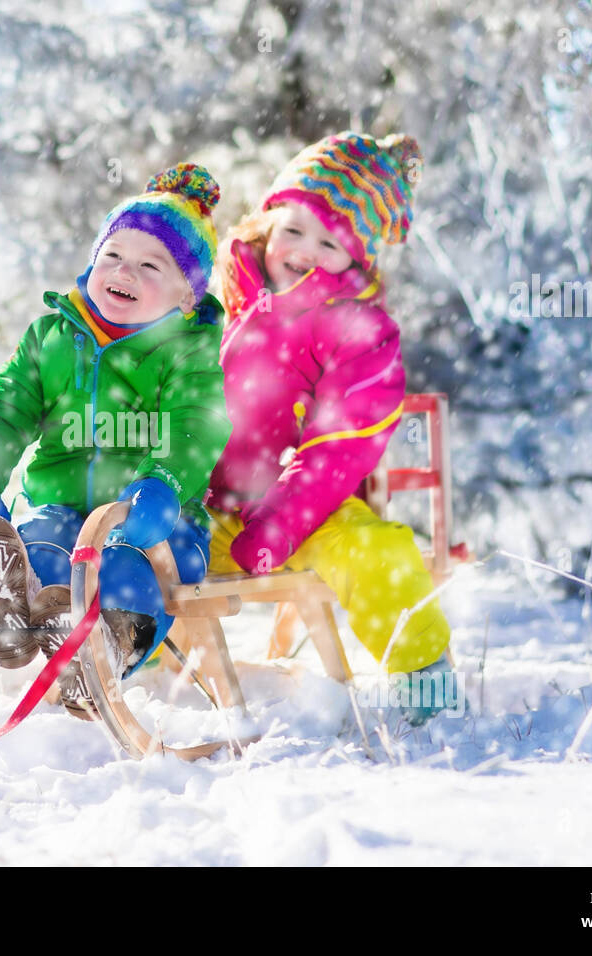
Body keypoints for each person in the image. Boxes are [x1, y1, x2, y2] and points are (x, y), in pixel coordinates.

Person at [0, 164, 232, 715]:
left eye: (151, 265)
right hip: (59, 506)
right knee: (42, 549)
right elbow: (4, 408)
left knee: (126, 569)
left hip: (155, 519)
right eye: (113, 256)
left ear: (186, 297)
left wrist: (165, 483)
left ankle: (106, 646)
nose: (125, 271)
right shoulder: (52, 337)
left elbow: (200, 420)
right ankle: (13, 609)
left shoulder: (187, 352)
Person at [205, 131, 454, 725]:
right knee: (139, 543)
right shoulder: (225, 304)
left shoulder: (361, 331)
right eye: (293, 229)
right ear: (268, 224)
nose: (305, 250)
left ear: (358, 257)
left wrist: (281, 522)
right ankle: (131, 658)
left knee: (378, 554)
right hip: (210, 507)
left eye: (330, 241)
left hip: (310, 512)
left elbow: (341, 445)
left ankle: (426, 681)